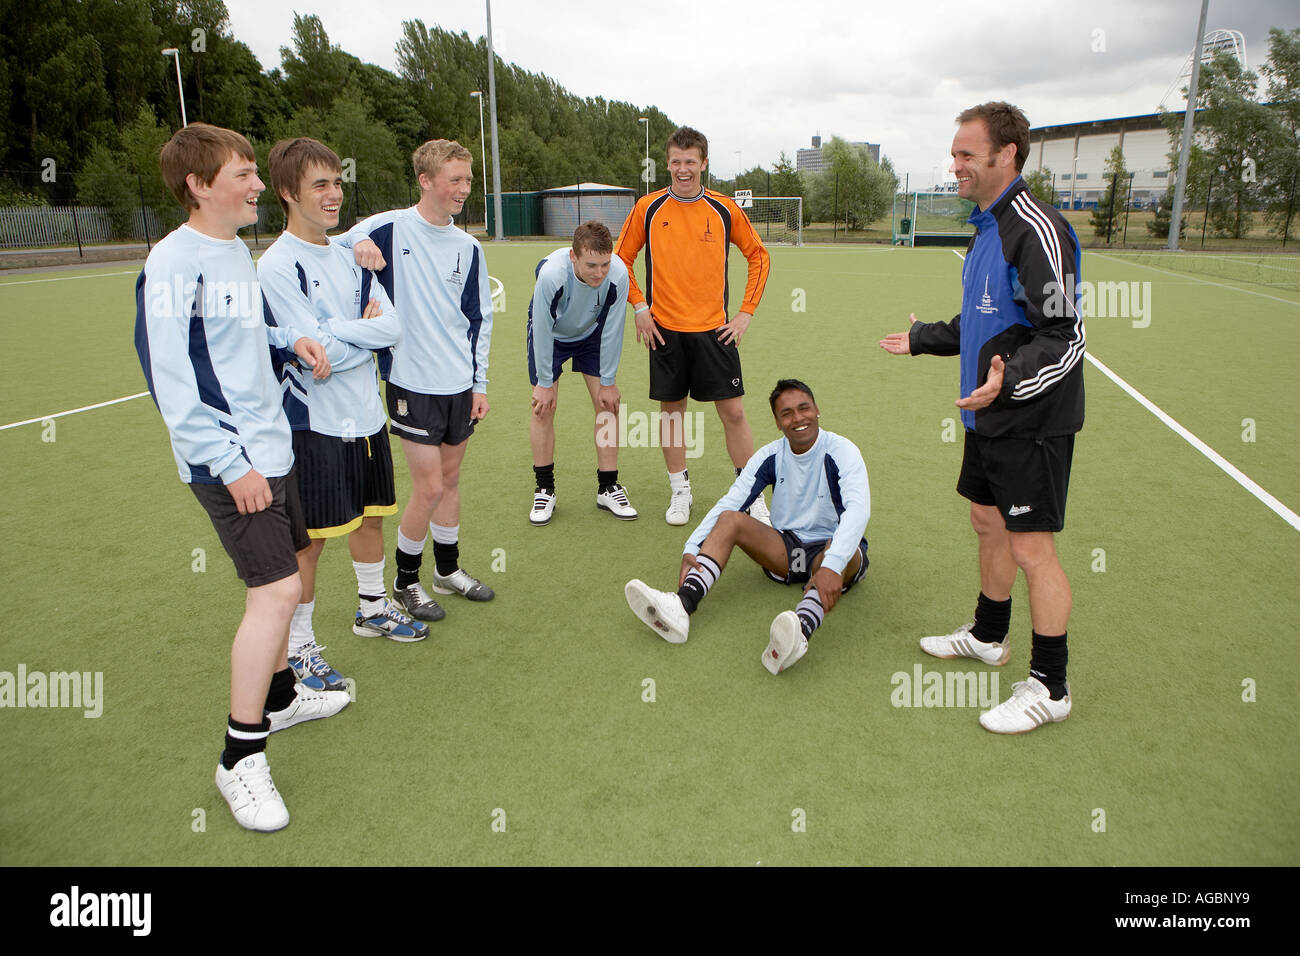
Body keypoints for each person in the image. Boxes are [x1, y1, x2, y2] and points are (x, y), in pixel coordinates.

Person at [134, 123, 350, 832]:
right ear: (199, 185)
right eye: (244, 173)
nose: (259, 184)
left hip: (271, 447)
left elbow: (246, 330)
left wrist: (291, 337)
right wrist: (231, 465)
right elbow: (170, 380)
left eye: (257, 172)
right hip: (234, 462)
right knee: (279, 591)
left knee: (289, 569)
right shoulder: (172, 262)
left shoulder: (231, 252)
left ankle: (284, 697)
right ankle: (239, 758)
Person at [879, 101, 1084, 735]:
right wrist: (925, 339)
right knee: (985, 521)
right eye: (956, 152)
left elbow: (1065, 334)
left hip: (1032, 420)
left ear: (1007, 156)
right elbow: (985, 322)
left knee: (1032, 548)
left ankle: (1050, 685)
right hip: (987, 417)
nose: (956, 164)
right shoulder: (987, 226)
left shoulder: (1035, 229)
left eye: (968, 154)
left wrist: (1007, 382)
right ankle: (989, 636)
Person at [259, 137, 428, 695]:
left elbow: (392, 329)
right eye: (320, 186)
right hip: (315, 425)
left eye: (337, 183)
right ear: (287, 192)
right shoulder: (277, 266)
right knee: (310, 543)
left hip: (366, 415)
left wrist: (339, 333)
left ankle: (372, 608)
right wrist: (354, 334)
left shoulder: (351, 253)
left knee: (372, 517)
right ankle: (301, 648)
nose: (334, 195)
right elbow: (315, 353)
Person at [340, 139, 494, 623]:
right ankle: (406, 582)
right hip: (410, 381)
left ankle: (446, 572)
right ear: (426, 181)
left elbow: (478, 317)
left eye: (468, 180)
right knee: (427, 488)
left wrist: (479, 382)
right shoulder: (386, 227)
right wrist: (352, 242)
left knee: (449, 480)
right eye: (455, 180)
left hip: (458, 385)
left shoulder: (468, 247)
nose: (464, 189)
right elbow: (324, 243)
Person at [624, 379, 869, 674]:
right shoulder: (769, 456)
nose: (798, 418)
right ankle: (682, 606)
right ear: (778, 422)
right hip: (786, 552)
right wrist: (692, 546)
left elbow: (858, 509)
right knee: (731, 519)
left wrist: (833, 564)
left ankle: (798, 635)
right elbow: (731, 502)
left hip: (832, 554)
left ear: (817, 410)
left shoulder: (842, 450)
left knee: (841, 544)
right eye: (787, 413)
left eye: (804, 408)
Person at [614, 126, 772, 527]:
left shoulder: (723, 209)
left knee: (734, 413)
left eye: (690, 162)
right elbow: (621, 260)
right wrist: (639, 306)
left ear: (704, 164)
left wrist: (745, 312)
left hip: (715, 331)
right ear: (666, 164)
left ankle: (750, 495)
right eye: (676, 162)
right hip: (665, 331)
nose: (682, 170)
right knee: (672, 415)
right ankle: (680, 492)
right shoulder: (648, 208)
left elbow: (759, 255)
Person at [527, 221, 635, 525]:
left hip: (591, 334)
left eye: (604, 264)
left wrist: (609, 383)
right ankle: (545, 489)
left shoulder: (618, 274)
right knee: (543, 409)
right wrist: (545, 383)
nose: (599, 272)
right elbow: (543, 329)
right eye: (591, 265)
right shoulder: (551, 275)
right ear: (573, 257)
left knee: (607, 406)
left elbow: (613, 328)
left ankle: (608, 486)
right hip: (553, 334)